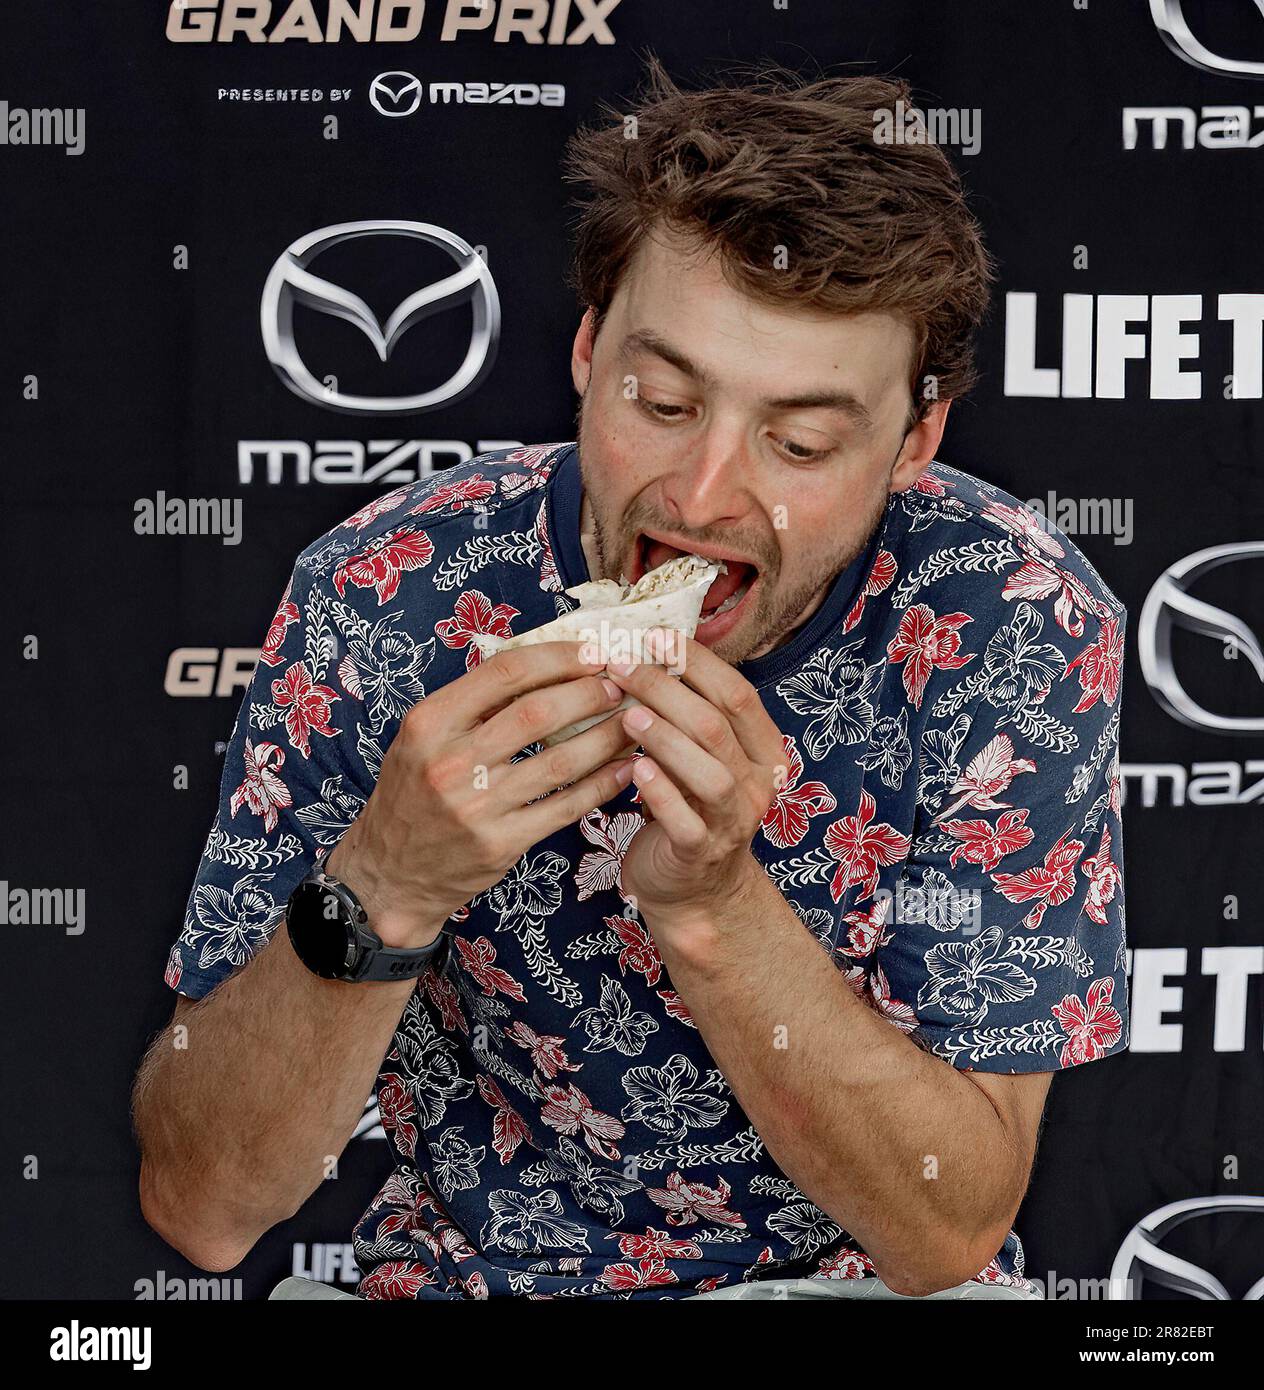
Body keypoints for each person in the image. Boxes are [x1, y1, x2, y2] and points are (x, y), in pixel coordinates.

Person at [133, 56, 1129, 1301]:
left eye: (800, 441)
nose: (704, 497)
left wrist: (713, 908)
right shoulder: (389, 587)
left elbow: (945, 1233)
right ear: (588, 352)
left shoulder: (1009, 617)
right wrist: (388, 878)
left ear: (913, 444)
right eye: (661, 401)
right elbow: (201, 1207)